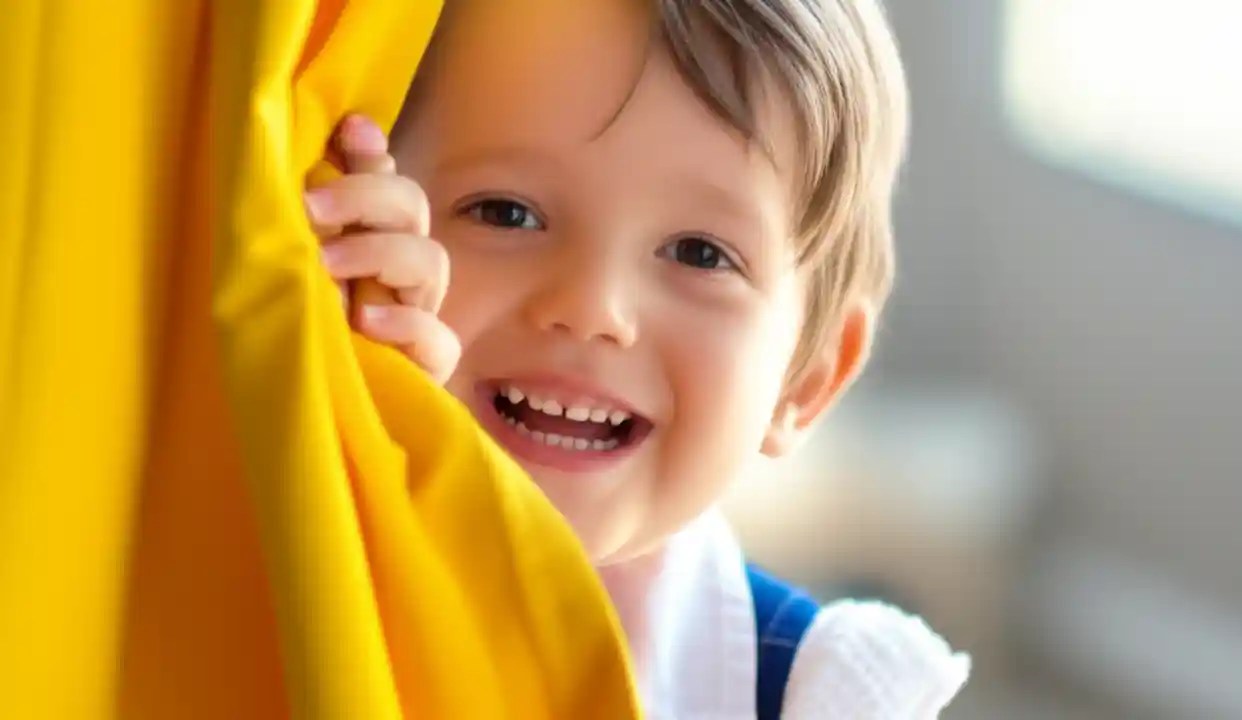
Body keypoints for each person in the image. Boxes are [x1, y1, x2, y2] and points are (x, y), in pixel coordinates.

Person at [305, 0, 969, 716]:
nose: (593, 307)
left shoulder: (820, 695)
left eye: (699, 254)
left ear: (805, 380)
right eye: (506, 212)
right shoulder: (258, 557)